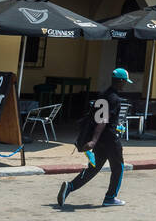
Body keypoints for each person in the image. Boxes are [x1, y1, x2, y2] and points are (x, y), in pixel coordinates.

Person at [57, 68, 133, 208]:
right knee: (118, 167)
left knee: (94, 167)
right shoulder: (115, 99)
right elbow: (103, 120)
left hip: (100, 140)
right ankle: (110, 198)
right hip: (110, 138)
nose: (125, 85)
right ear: (120, 81)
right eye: (125, 82)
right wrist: (93, 141)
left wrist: (94, 139)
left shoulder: (103, 95)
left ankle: (70, 187)